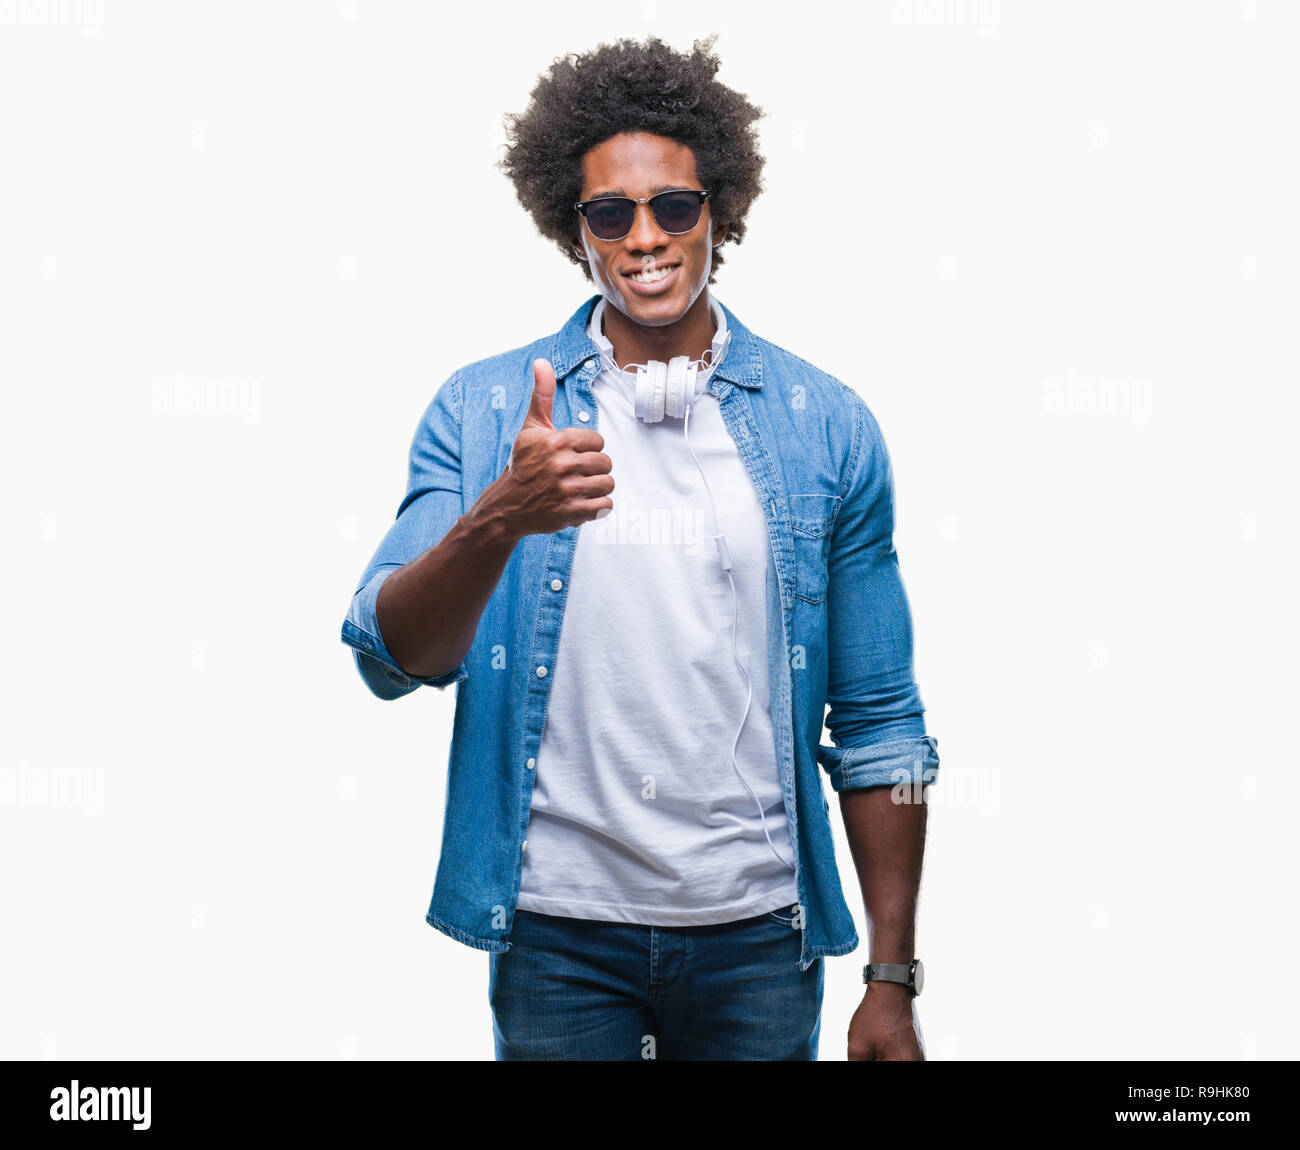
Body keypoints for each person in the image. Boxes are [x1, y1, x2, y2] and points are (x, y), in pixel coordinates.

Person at [340, 33, 940, 1061]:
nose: (645, 236)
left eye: (675, 206)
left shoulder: (826, 426)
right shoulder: (485, 410)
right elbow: (390, 658)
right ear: (573, 230)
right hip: (555, 934)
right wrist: (500, 518)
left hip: (758, 931)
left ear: (720, 213)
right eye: (609, 213)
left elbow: (880, 718)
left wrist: (890, 978)